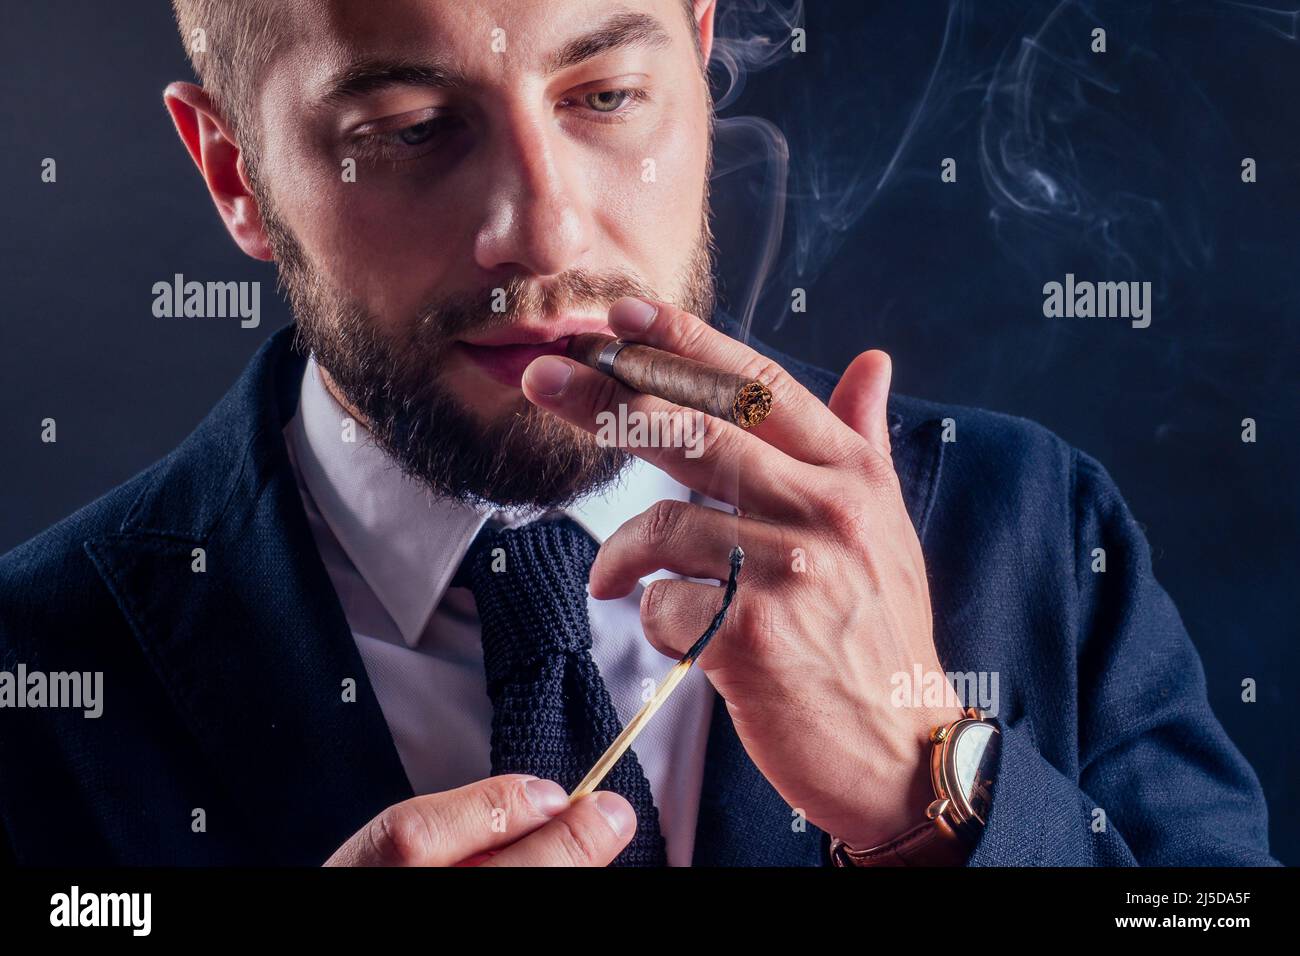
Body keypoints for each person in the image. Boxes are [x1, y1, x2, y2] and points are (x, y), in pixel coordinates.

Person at [0, 0, 1276, 867]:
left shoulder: (1033, 527)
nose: (544, 235)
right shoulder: (36, 681)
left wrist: (942, 796)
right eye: (405, 131)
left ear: (702, 59)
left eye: (605, 94)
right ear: (235, 173)